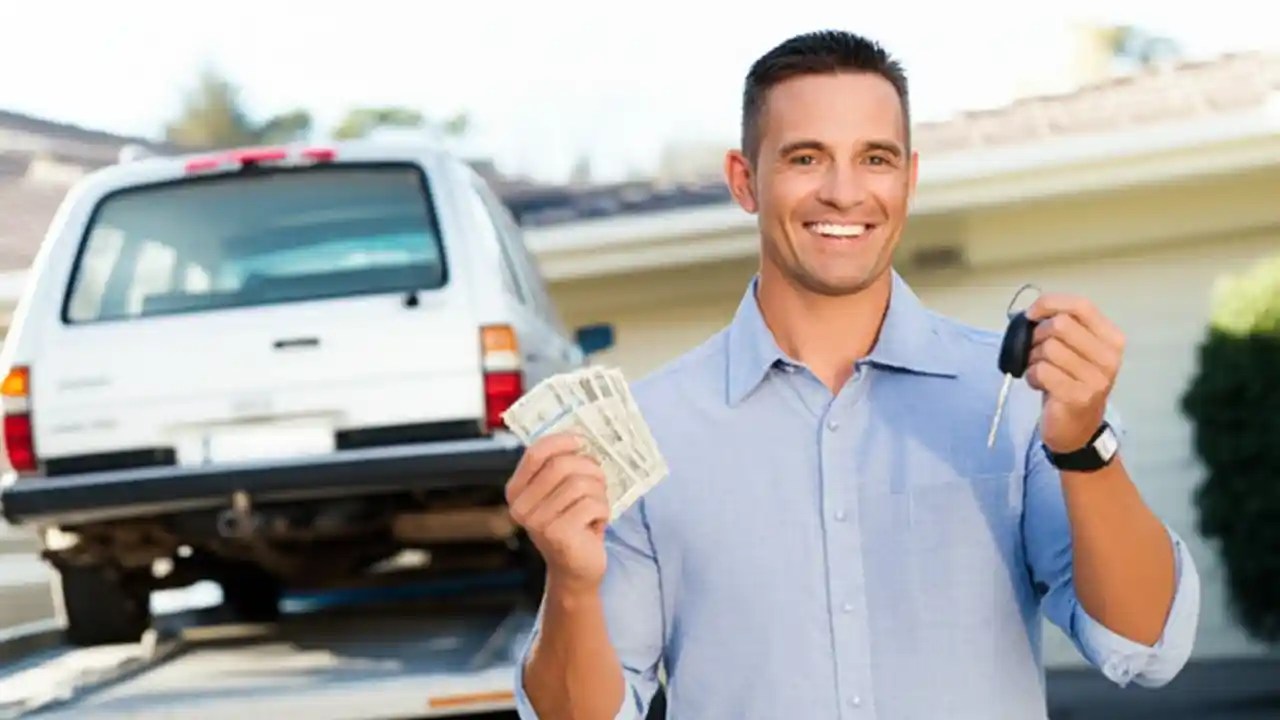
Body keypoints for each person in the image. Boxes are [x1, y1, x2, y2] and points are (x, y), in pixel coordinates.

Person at [505, 29, 1200, 720]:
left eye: (874, 159)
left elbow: (1146, 646)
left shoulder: (1021, 402)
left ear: (909, 179)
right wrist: (569, 582)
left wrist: (1084, 445)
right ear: (745, 181)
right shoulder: (651, 430)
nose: (844, 193)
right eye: (807, 158)